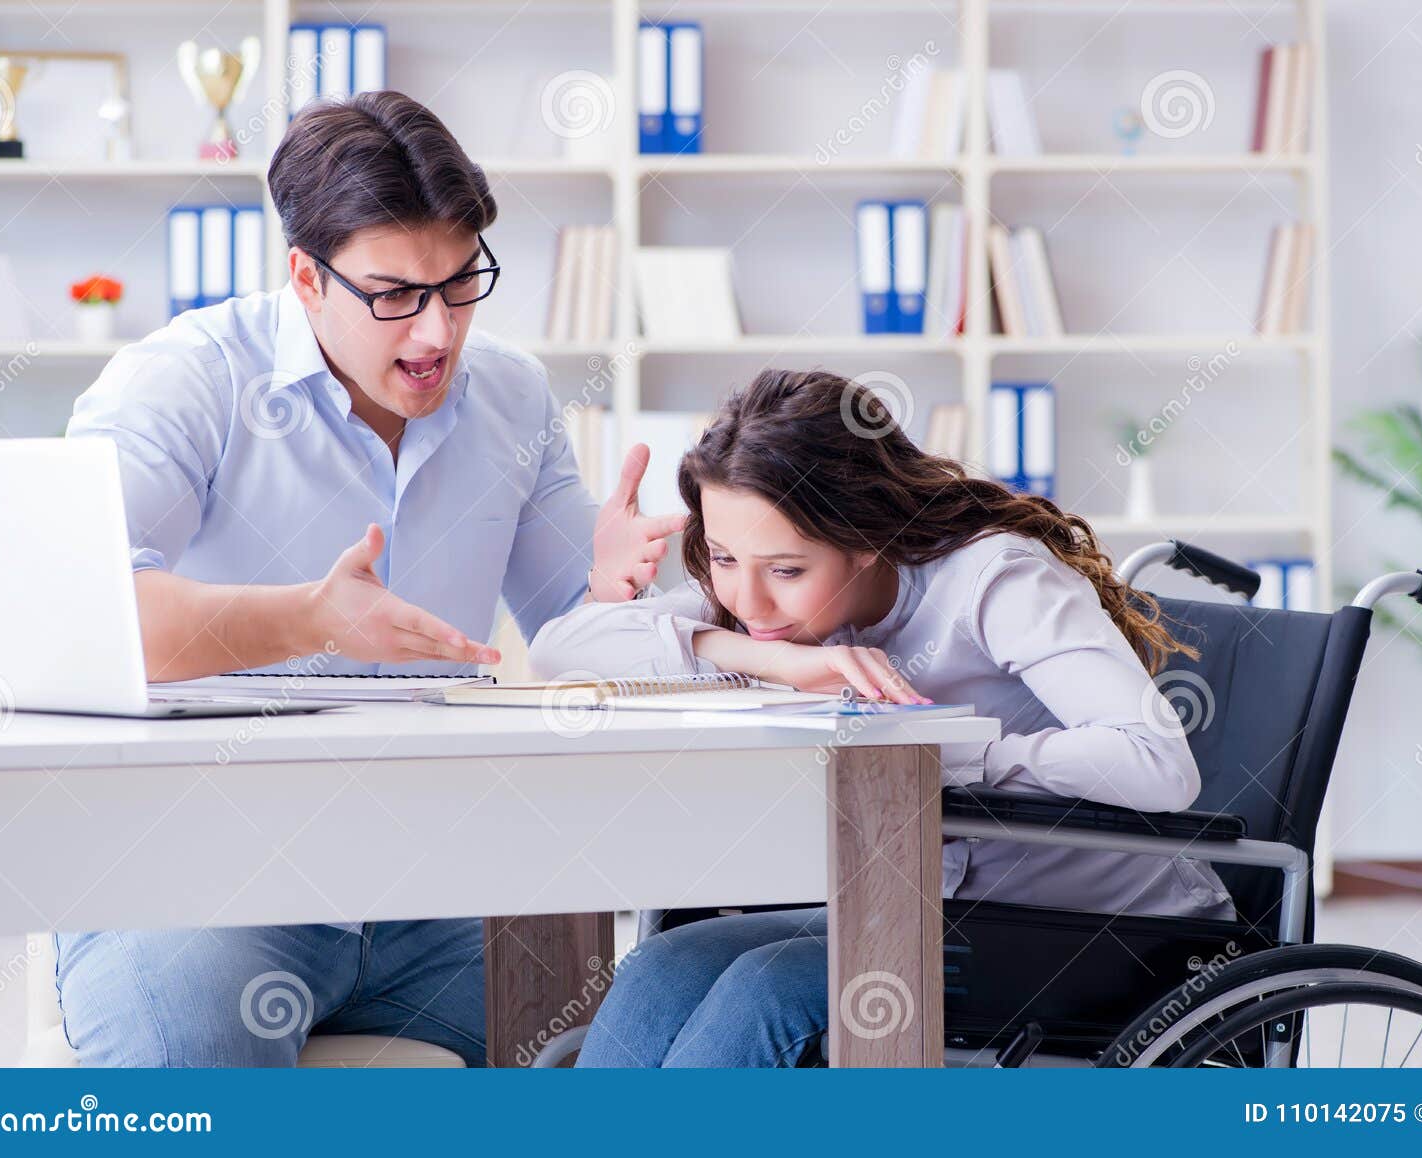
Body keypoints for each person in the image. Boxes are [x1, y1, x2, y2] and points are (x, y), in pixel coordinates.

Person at [55, 91, 680, 1067]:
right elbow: (82, 616)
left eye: (459, 282)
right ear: (306, 276)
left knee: (631, 1029)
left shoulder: (511, 395)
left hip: (429, 884)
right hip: (194, 874)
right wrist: (311, 619)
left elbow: (575, 627)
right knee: (189, 1060)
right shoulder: (188, 382)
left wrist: (620, 597)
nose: (435, 332)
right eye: (394, 294)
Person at [528, 367, 1236, 1068]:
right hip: (923, 908)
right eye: (721, 557)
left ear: (867, 537)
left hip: (1102, 933)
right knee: (664, 964)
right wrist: (774, 661)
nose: (749, 600)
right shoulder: (763, 606)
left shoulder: (994, 578)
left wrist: (932, 754)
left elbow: (1159, 765)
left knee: (767, 989)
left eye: (786, 571)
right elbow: (558, 648)